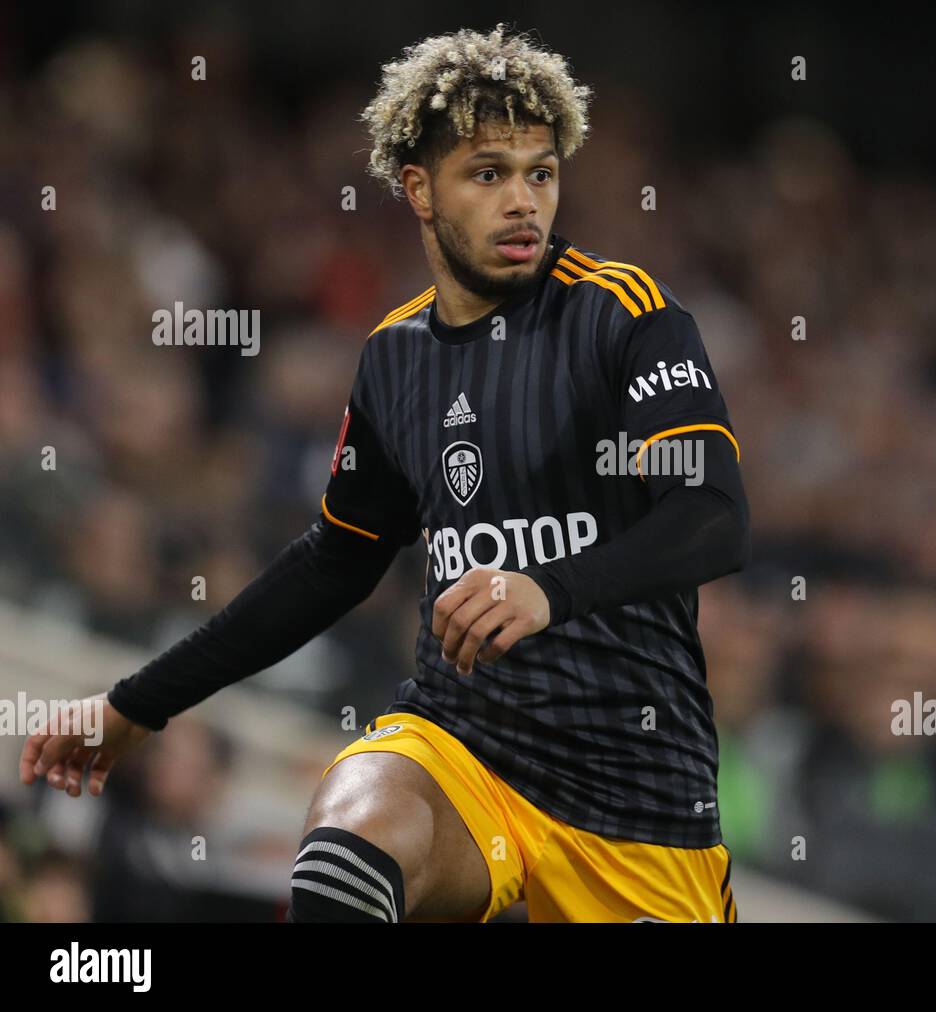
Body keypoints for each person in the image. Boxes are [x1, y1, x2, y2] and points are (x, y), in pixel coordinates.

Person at [20, 22, 749, 923]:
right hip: (465, 750)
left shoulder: (627, 317)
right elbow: (336, 560)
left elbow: (713, 514)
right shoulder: (394, 359)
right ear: (419, 187)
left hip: (638, 799)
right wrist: (139, 704)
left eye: (541, 172)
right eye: (488, 173)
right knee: (344, 859)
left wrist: (551, 590)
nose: (523, 202)